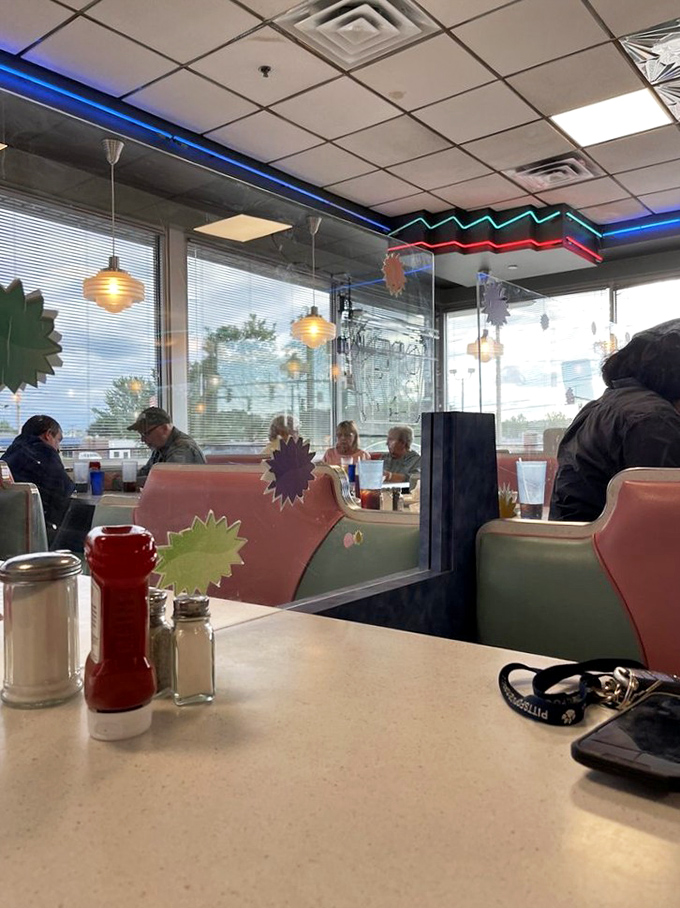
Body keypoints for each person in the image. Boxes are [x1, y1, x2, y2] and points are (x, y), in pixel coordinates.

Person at [550, 319, 680, 522]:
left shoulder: (602, 406)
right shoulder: (654, 419)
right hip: (611, 551)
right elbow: (666, 521)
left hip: (582, 547)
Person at [1, 414, 75, 543]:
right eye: (58, 440)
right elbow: (64, 490)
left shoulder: (11, 452)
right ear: (48, 434)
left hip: (8, 530)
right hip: (39, 528)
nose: (57, 448)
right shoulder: (45, 452)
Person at [129, 407, 206, 482]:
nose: (142, 440)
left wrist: (126, 482)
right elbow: (146, 473)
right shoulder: (160, 448)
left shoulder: (183, 448)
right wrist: (122, 478)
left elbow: (166, 481)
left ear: (164, 428)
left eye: (146, 433)